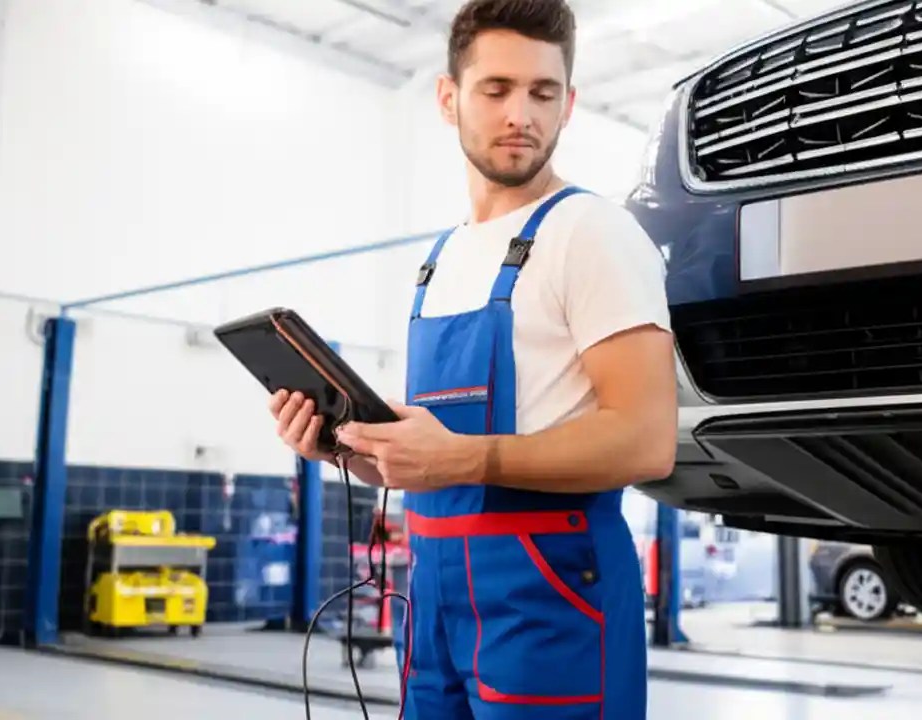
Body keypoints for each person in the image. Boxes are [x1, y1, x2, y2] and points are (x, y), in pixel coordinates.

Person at [269, 0, 677, 717]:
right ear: (449, 97)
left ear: (570, 103)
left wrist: (463, 459)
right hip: (430, 593)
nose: (521, 113)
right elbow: (432, 457)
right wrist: (355, 451)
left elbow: (646, 440)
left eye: (542, 93)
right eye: (496, 90)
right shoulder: (442, 257)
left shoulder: (593, 233)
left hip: (550, 590)